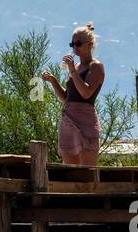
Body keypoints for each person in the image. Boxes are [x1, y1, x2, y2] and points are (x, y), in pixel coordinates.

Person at [40, 23, 105, 166]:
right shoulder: (75, 68)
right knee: (69, 170)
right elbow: (65, 97)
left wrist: (72, 71)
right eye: (72, 44)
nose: (75, 47)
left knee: (87, 170)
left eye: (78, 44)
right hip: (69, 119)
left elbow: (86, 93)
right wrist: (53, 81)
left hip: (85, 120)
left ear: (89, 45)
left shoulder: (96, 66)